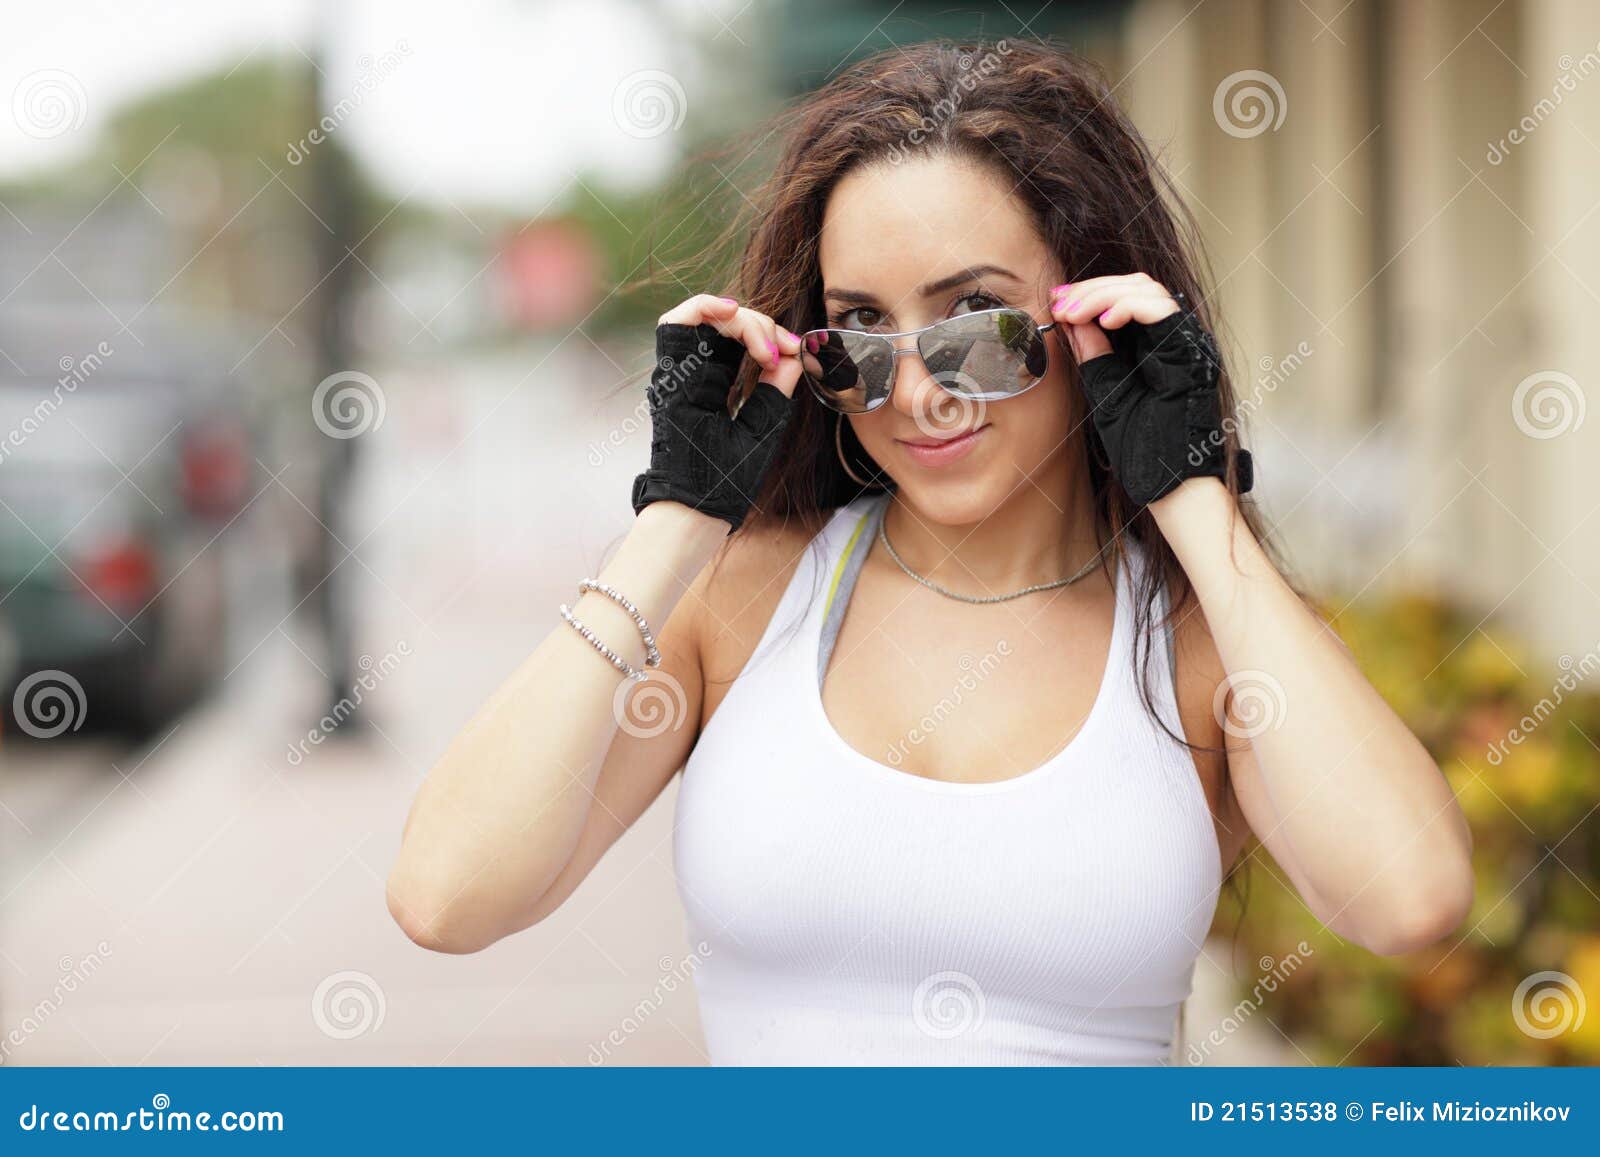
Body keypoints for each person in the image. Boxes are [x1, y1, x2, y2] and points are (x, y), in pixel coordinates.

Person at [386, 39, 1473, 1065]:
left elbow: (1407, 897)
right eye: (860, 331)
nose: (914, 391)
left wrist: (1192, 498)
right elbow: (447, 895)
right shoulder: (743, 598)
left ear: (1090, 310)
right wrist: (675, 515)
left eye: (977, 322)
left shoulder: (1194, 637)